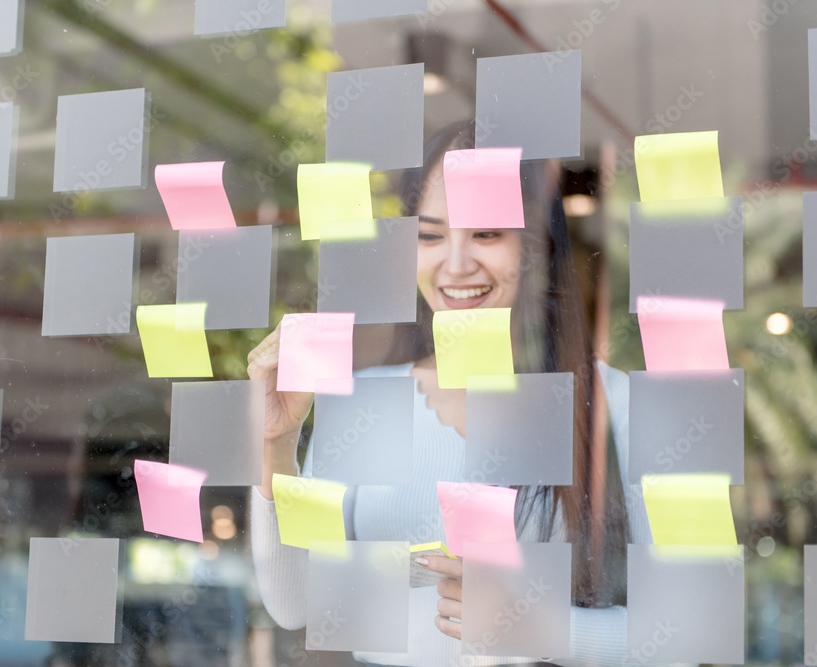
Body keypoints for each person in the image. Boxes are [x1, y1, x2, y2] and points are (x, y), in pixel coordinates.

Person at [248, 120, 654, 666]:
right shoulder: (365, 401)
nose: (456, 265)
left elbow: (677, 639)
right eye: (430, 235)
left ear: (536, 244)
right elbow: (296, 604)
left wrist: (536, 626)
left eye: (487, 234)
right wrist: (277, 445)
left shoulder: (612, 403)